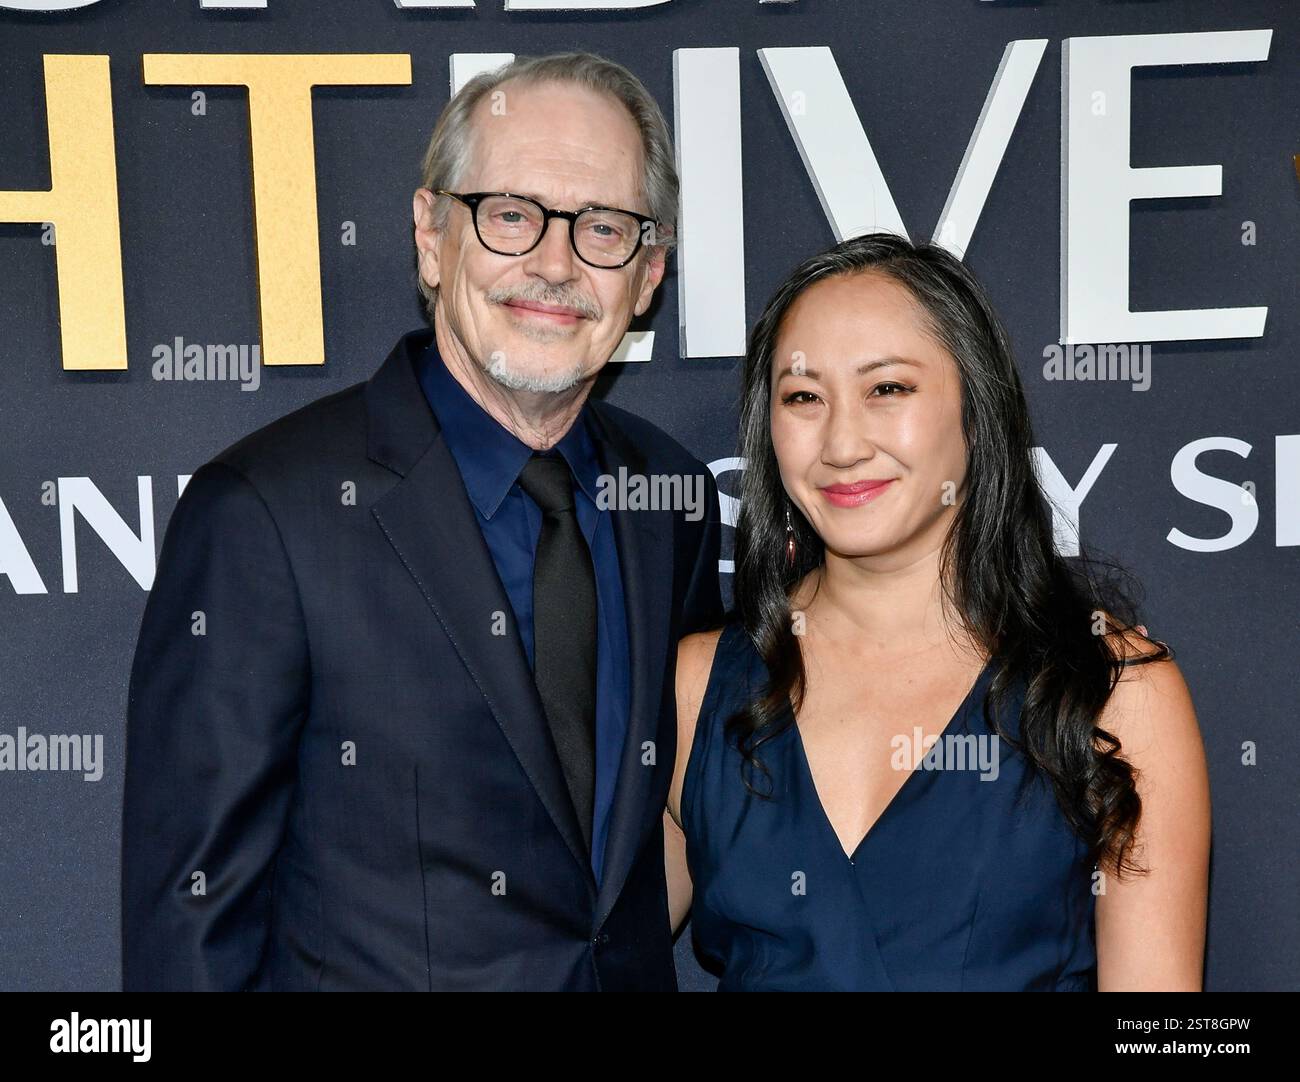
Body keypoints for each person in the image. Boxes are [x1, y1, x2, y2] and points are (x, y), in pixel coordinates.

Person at [122, 52, 722, 991]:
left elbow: (644, 858)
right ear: (432, 237)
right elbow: (190, 937)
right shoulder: (266, 515)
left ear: (648, 274)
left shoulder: (672, 501)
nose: (554, 263)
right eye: (511, 215)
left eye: (602, 227)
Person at [665, 233, 1211, 991]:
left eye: (887, 389)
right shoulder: (696, 689)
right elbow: (576, 952)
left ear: (978, 414)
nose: (843, 443)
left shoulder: (1111, 686)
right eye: (803, 396)